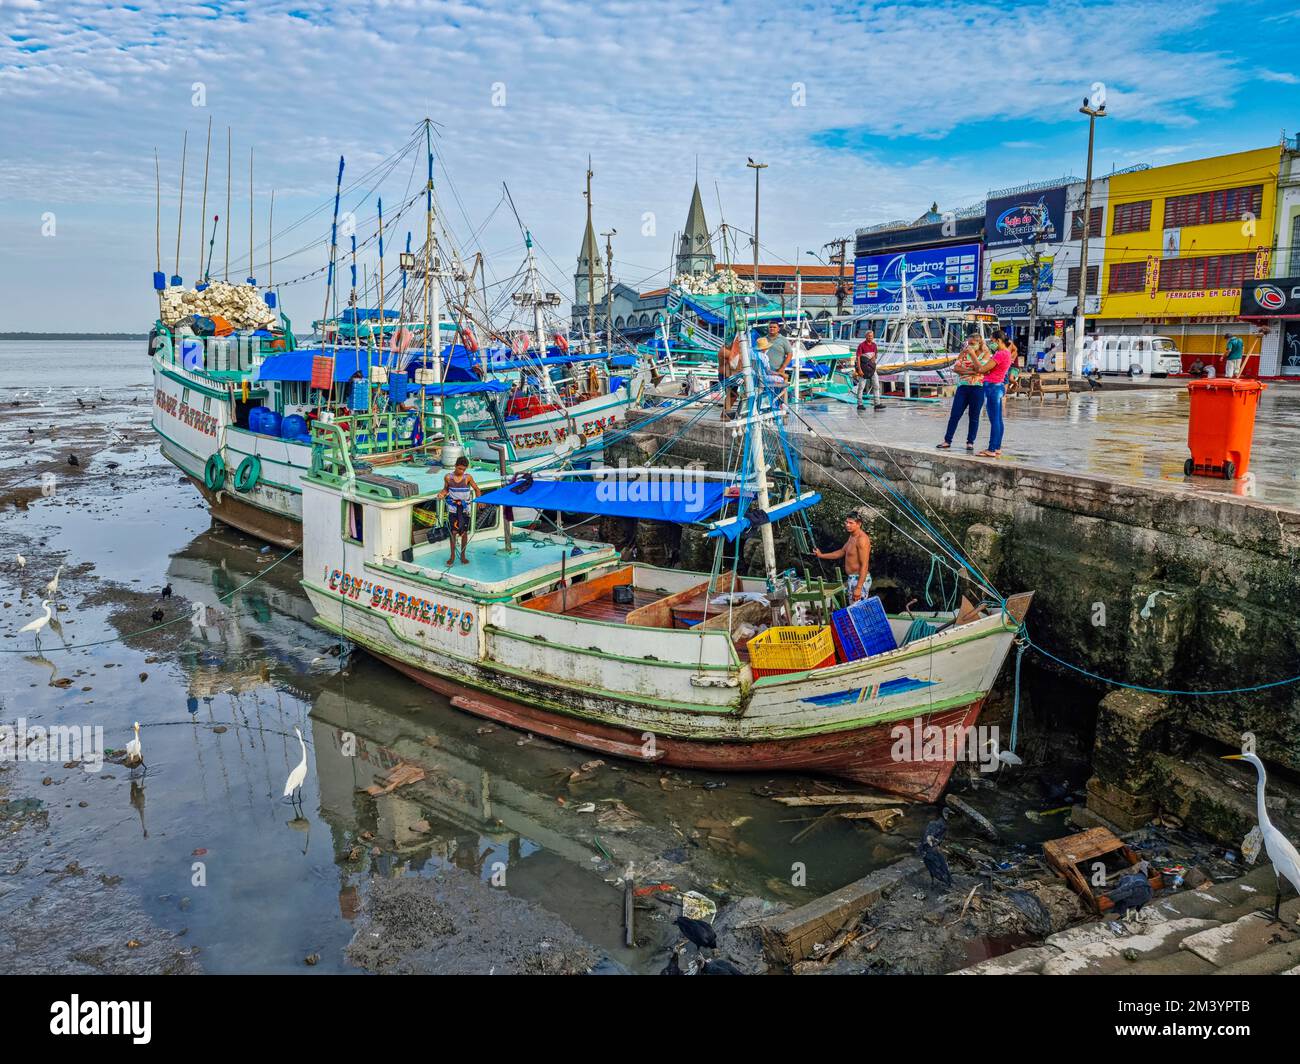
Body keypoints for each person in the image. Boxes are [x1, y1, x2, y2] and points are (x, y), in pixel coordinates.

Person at [937, 332, 993, 452]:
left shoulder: (986, 354)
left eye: (972, 344)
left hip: (977, 387)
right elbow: (956, 368)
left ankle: (970, 442)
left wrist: (972, 357)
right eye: (969, 343)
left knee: (974, 416)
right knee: (955, 415)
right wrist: (973, 372)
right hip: (963, 387)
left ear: (979, 343)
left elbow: (981, 369)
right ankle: (947, 440)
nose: (970, 346)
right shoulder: (963, 353)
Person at [813, 513, 871, 602]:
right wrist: (821, 555)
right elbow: (841, 552)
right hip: (852, 578)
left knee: (857, 611)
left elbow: (865, 565)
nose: (847, 525)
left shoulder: (862, 539)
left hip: (859, 580)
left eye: (851, 523)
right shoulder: (852, 536)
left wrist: (859, 587)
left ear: (859, 524)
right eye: (846, 522)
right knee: (852, 608)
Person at [436, 456, 480, 566]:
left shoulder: (468, 478)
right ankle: (452, 556)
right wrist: (442, 494)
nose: (462, 471)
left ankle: (463, 555)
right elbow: (446, 489)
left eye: (464, 469)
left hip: (465, 510)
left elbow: (477, 489)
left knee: (464, 533)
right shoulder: (448, 477)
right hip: (453, 509)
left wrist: (479, 501)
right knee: (453, 533)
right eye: (460, 468)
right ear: (455, 466)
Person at [978, 330, 1014, 458]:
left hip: (993, 387)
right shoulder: (1006, 353)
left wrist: (972, 355)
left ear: (998, 340)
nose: (990, 344)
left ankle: (992, 448)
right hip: (997, 386)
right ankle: (997, 447)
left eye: (992, 341)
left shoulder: (1000, 354)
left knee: (994, 419)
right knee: (998, 419)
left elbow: (982, 369)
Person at [764, 322, 794, 403]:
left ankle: (781, 406)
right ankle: (767, 406)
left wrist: (783, 367)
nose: (772, 329)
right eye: (770, 327)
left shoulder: (783, 340)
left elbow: (790, 354)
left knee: (779, 391)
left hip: (779, 371)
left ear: (778, 329)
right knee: (766, 391)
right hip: (765, 371)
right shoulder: (764, 339)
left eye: (774, 327)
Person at [853, 330, 883, 411]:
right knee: (861, 387)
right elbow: (858, 358)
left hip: (872, 369)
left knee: (876, 385)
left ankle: (877, 403)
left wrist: (874, 358)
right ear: (866, 336)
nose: (870, 337)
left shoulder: (874, 345)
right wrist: (859, 370)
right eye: (869, 336)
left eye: (872, 336)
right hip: (863, 369)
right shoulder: (861, 345)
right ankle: (860, 404)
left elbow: (875, 355)